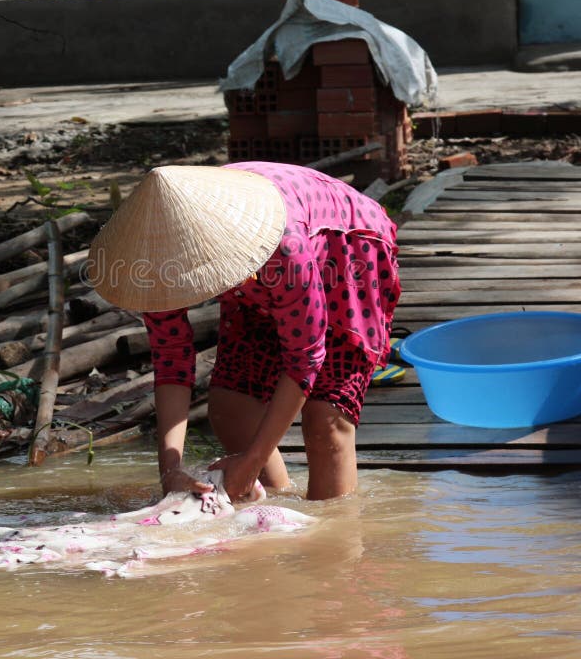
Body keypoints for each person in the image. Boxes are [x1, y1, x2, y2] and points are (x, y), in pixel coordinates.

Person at [87, 161, 401, 501]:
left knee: (325, 422)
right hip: (261, 278)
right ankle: (277, 505)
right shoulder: (151, 262)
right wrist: (170, 470)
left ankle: (335, 533)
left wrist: (252, 460)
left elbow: (306, 358)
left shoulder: (284, 247)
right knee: (230, 407)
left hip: (345, 254)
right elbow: (172, 359)